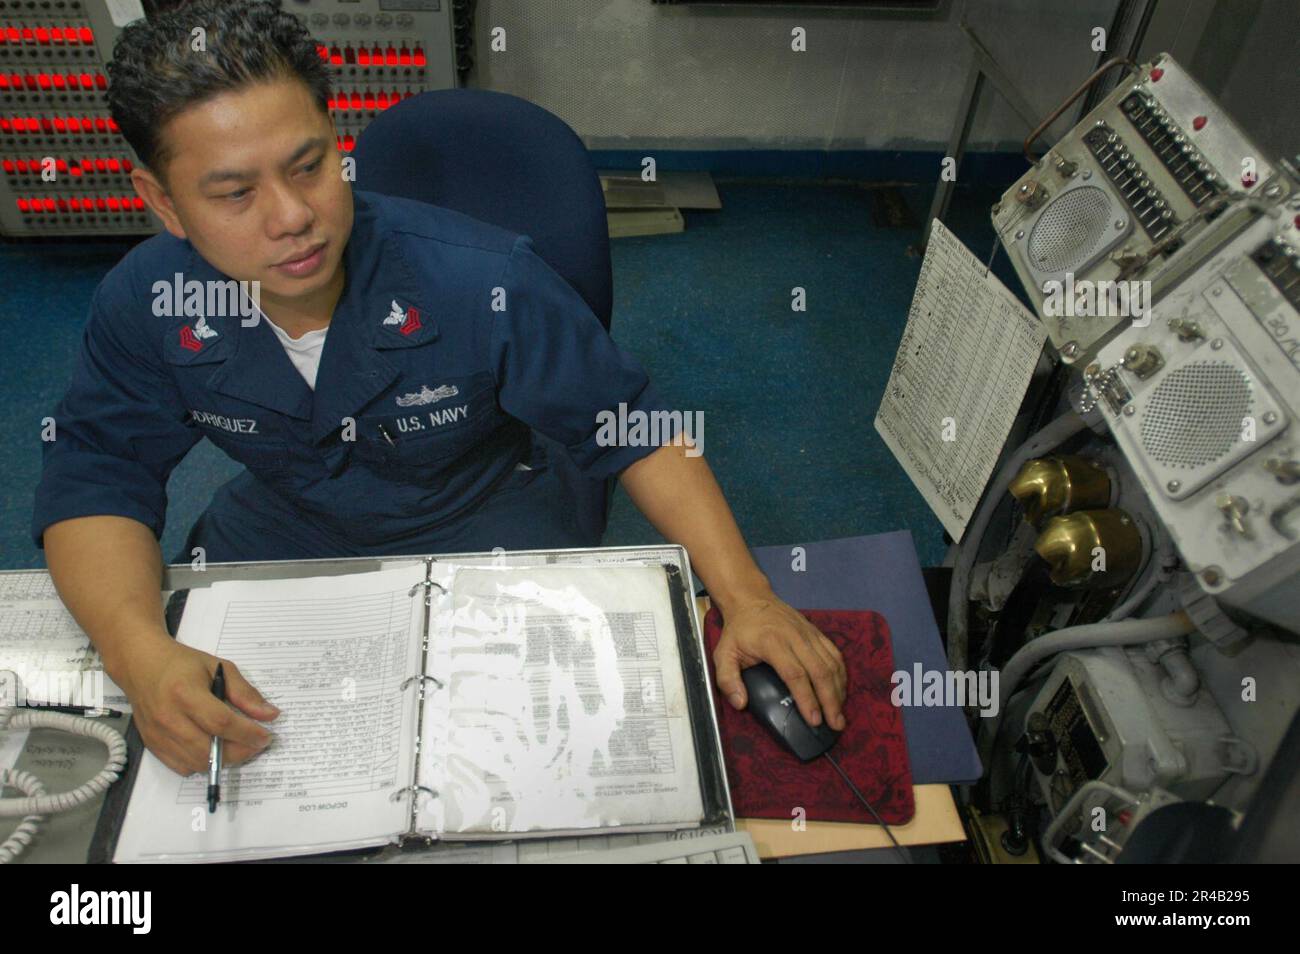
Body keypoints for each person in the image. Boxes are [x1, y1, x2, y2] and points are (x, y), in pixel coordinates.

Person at [32, 0, 846, 778]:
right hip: (293, 523)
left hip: (485, 511)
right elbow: (98, 473)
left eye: (309, 166)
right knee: (195, 738)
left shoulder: (483, 277)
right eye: (236, 192)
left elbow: (630, 428)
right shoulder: (147, 300)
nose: (292, 217)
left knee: (538, 745)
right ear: (162, 203)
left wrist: (747, 597)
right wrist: (134, 649)